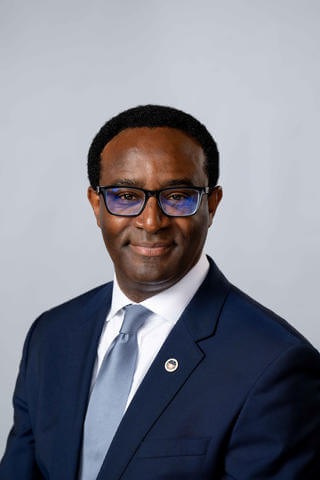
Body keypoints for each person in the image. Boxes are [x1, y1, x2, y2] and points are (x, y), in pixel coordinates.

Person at [1, 105, 319, 480]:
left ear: (211, 205)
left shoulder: (275, 366)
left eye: (178, 196)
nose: (151, 221)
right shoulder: (51, 336)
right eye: (125, 196)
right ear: (96, 204)